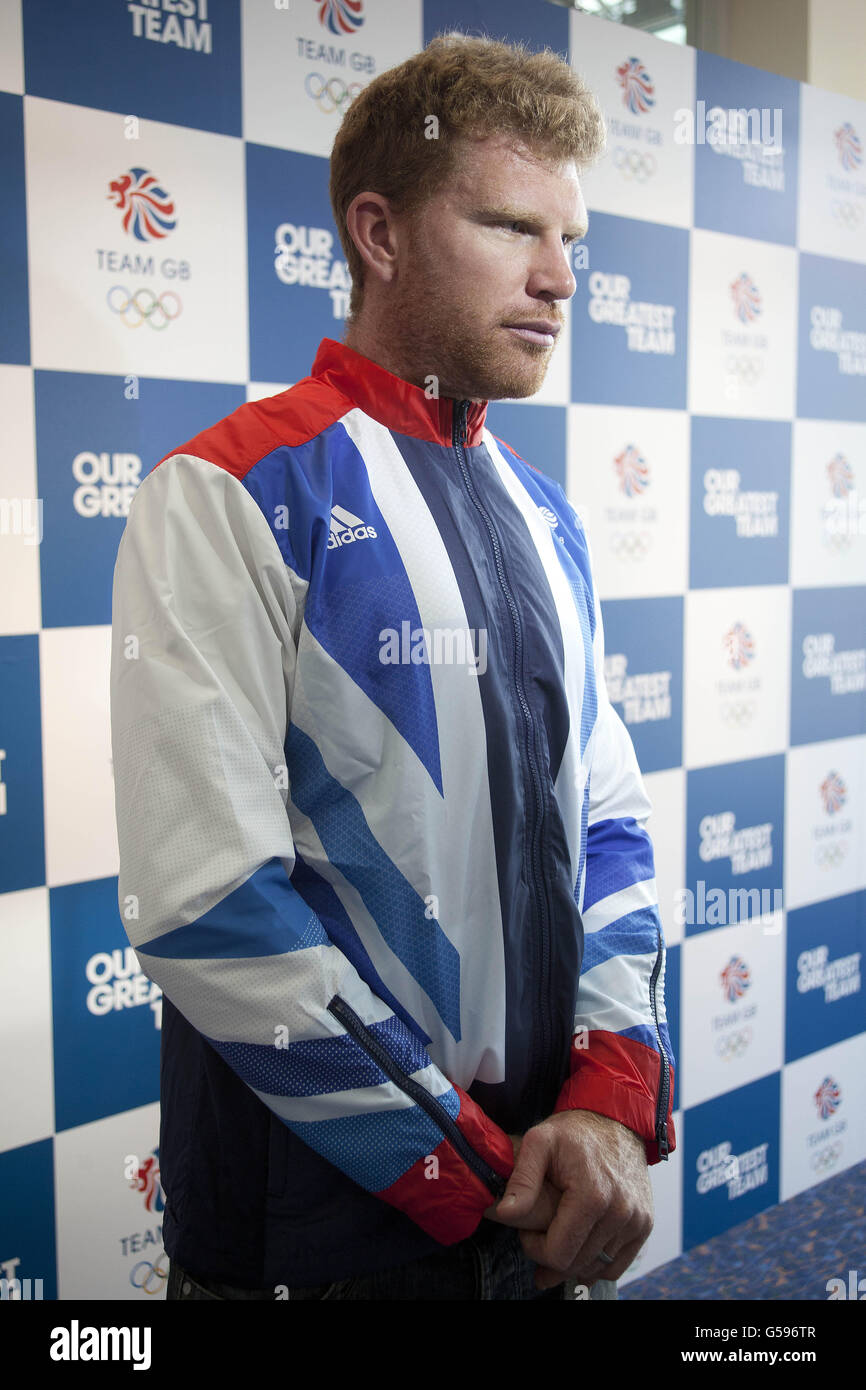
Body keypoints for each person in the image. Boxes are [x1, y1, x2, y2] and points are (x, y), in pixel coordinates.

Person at [109, 31, 676, 1302]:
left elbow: (613, 827)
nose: (560, 278)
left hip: (542, 1206)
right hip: (315, 1234)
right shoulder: (228, 489)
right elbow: (210, 906)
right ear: (379, 231)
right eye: (510, 226)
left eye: (570, 241)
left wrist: (601, 1103)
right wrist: (485, 1171)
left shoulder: (544, 515)